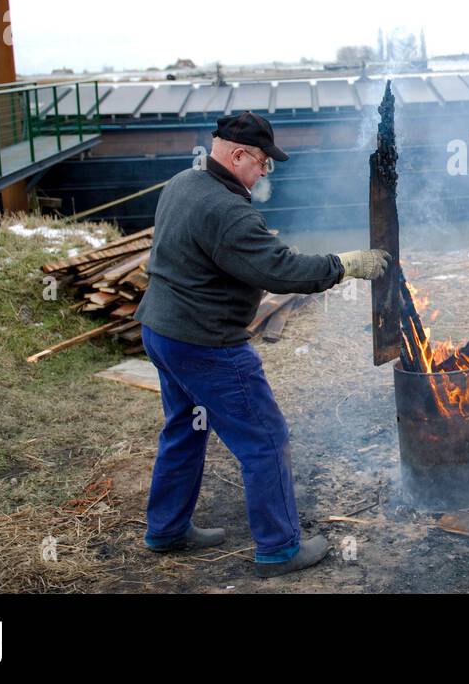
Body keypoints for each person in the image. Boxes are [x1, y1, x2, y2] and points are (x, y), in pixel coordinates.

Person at [134, 111, 389, 578]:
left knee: (185, 428)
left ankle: (166, 529)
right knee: (265, 439)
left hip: (161, 332)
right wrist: (345, 264)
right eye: (262, 162)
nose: (266, 172)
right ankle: (279, 548)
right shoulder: (227, 210)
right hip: (205, 344)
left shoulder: (181, 183)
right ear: (237, 155)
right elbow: (280, 270)